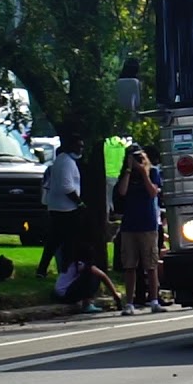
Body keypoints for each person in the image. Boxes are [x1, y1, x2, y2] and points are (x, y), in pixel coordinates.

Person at [114, 144, 164, 314]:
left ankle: (154, 300)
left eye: (139, 157)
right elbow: (122, 192)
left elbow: (152, 193)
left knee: (151, 264)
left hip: (148, 224)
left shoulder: (153, 172)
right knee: (130, 265)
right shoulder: (125, 175)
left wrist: (143, 172)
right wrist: (128, 170)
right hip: (129, 225)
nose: (137, 161)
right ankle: (129, 303)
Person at [37, 134, 85, 277]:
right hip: (66, 209)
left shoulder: (62, 160)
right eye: (79, 146)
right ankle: (66, 270)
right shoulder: (66, 162)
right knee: (68, 241)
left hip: (58, 207)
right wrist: (80, 203)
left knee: (54, 240)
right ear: (70, 146)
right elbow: (67, 187)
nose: (81, 149)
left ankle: (44, 270)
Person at [54, 242, 123, 313]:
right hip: (65, 294)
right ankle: (87, 304)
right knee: (93, 276)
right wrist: (115, 294)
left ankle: (85, 301)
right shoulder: (81, 264)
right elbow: (103, 276)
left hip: (61, 294)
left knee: (92, 275)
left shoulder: (72, 263)